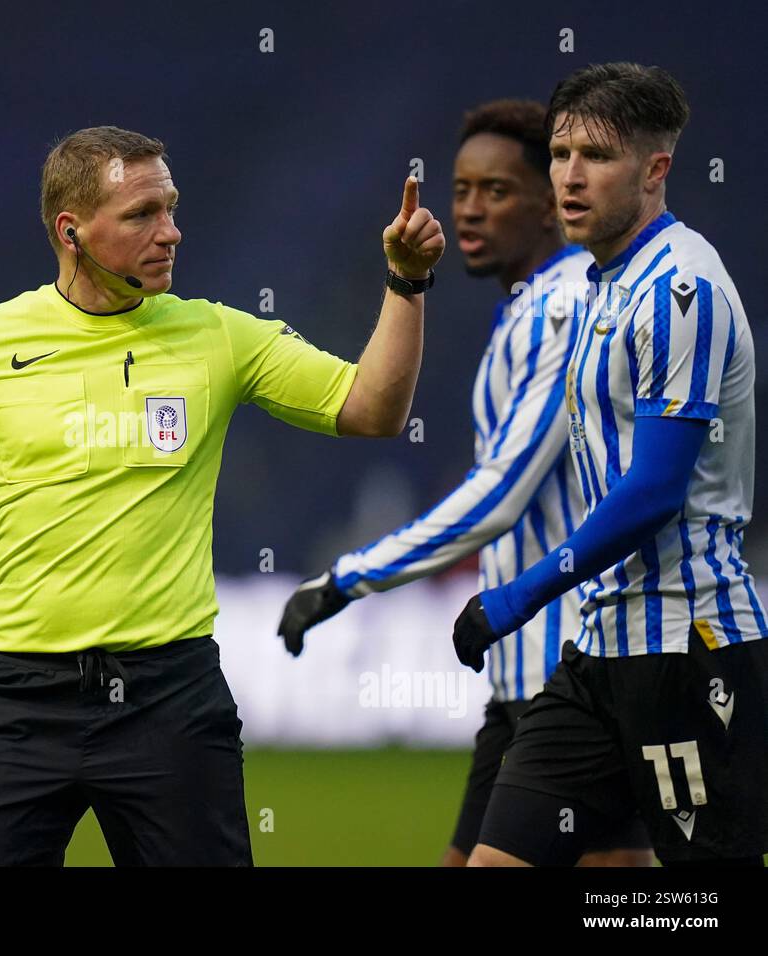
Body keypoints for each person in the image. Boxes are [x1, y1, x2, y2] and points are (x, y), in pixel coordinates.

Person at [0, 125, 444, 865]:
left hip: (168, 703)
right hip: (23, 701)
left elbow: (374, 408)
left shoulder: (217, 336)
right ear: (71, 232)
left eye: (171, 209)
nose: (170, 232)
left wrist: (405, 283)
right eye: (142, 215)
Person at [275, 99, 651, 866]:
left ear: (550, 205)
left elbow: (502, 490)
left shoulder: (571, 308)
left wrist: (348, 578)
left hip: (573, 672)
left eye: (497, 191)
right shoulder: (528, 310)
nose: (470, 210)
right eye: (462, 189)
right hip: (527, 682)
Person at [451, 64, 767, 866]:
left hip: (687, 649)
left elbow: (654, 491)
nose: (568, 176)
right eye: (559, 154)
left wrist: (519, 595)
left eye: (595, 155)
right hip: (598, 651)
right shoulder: (603, 283)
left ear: (656, 170)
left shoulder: (679, 289)